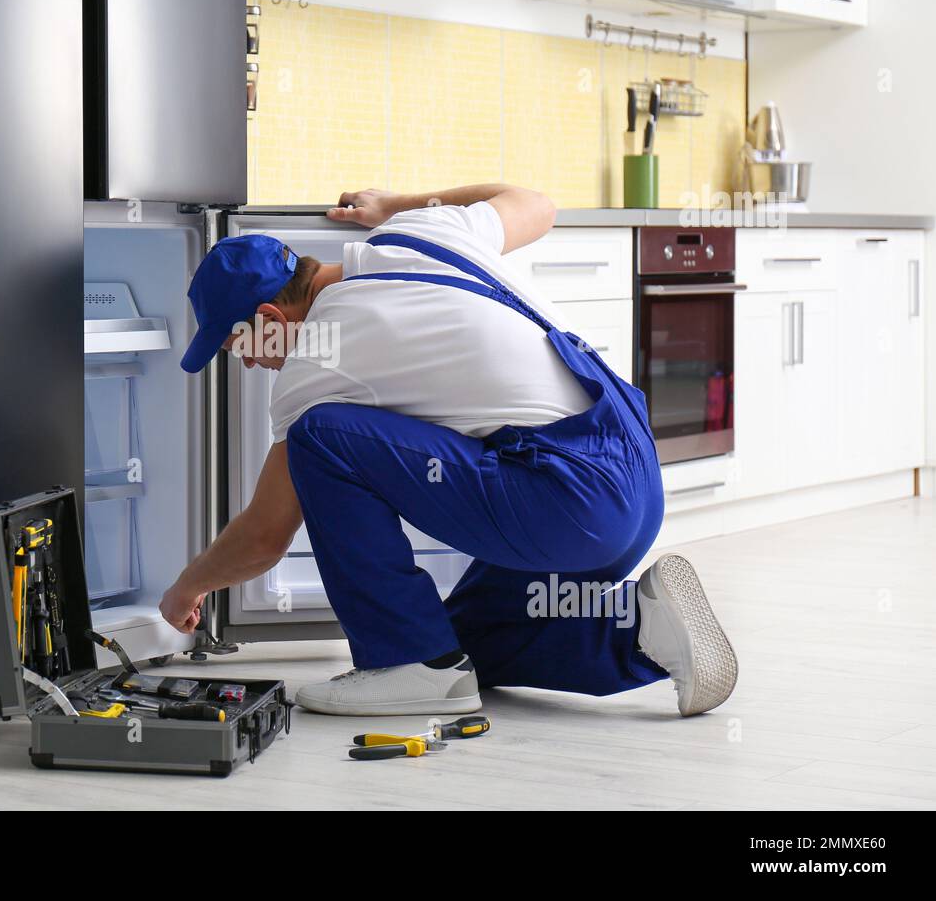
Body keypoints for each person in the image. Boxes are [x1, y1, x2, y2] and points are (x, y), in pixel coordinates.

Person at [160, 184, 737, 717]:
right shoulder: (422, 233)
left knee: (319, 437)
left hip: (569, 502)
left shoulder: (315, 362)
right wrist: (407, 205)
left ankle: (408, 663)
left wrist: (189, 586)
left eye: (238, 344)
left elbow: (266, 534)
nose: (248, 360)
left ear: (268, 318)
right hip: (629, 477)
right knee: (467, 642)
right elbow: (537, 204)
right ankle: (643, 632)